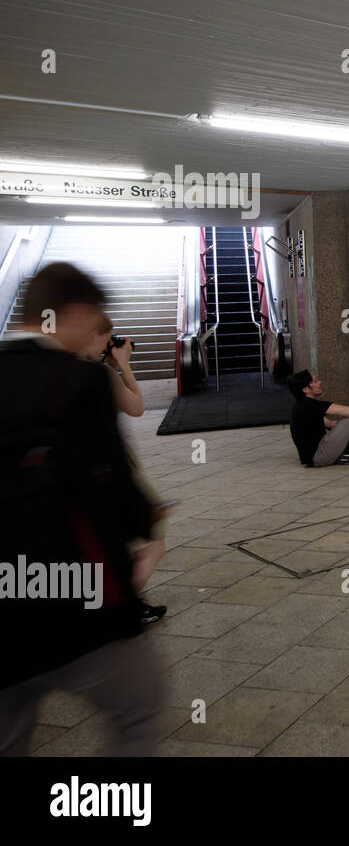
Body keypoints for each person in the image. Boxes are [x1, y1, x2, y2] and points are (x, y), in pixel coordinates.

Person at [0, 262, 164, 756]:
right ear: (71, 313)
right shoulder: (79, 381)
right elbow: (109, 480)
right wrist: (148, 529)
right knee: (140, 710)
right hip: (73, 598)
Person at [80, 314, 168, 622]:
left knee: (109, 543)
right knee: (154, 543)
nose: (110, 345)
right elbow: (136, 407)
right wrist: (125, 365)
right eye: (107, 338)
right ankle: (122, 606)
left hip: (81, 474)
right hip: (114, 468)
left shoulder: (65, 372)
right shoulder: (99, 373)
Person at [287, 369, 349, 465]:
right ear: (305, 389)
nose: (320, 382)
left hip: (315, 455)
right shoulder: (310, 405)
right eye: (316, 381)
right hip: (318, 456)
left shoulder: (300, 405)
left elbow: (330, 423)